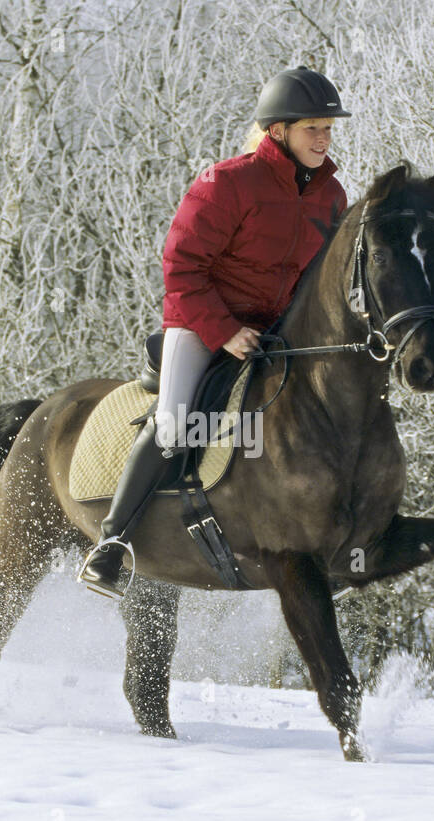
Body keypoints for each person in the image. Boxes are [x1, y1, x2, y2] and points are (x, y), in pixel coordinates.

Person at [78, 66, 351, 598]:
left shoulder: (332, 196)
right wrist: (224, 330)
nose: (324, 138)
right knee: (176, 424)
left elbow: (320, 279)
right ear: (277, 131)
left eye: (328, 129)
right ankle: (111, 545)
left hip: (275, 333)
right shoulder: (226, 182)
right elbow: (180, 267)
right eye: (312, 128)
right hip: (202, 322)